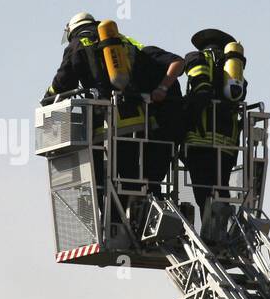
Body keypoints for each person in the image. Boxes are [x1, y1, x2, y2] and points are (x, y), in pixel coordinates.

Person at [40, 12, 185, 185]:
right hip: (137, 116)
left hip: (104, 122)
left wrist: (48, 98)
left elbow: (63, 82)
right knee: (132, 172)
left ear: (72, 30)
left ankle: (115, 199)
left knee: (102, 175)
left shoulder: (76, 45)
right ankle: (139, 196)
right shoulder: (120, 40)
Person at [181, 28, 246, 218]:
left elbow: (200, 90)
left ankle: (210, 226)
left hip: (200, 141)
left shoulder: (196, 58)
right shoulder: (233, 70)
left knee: (202, 191)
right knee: (221, 186)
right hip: (227, 144)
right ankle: (223, 224)